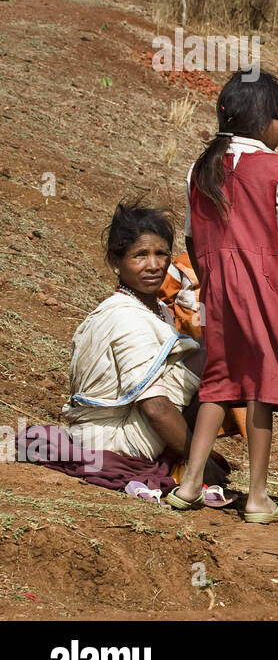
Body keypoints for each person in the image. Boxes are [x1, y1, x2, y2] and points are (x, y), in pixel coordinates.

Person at [166, 70, 278, 524]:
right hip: (261, 287)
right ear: (266, 121)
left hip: (217, 291)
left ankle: (189, 484)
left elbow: (191, 238)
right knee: (260, 387)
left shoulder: (201, 167)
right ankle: (258, 497)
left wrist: (210, 276)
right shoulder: (275, 170)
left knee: (218, 380)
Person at [20, 200, 226, 497]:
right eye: (140, 255)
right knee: (214, 357)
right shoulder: (127, 316)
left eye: (161, 254)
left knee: (208, 352)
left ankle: (191, 449)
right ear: (116, 262)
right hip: (113, 441)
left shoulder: (153, 308)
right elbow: (155, 409)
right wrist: (199, 461)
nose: (153, 265)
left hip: (109, 429)